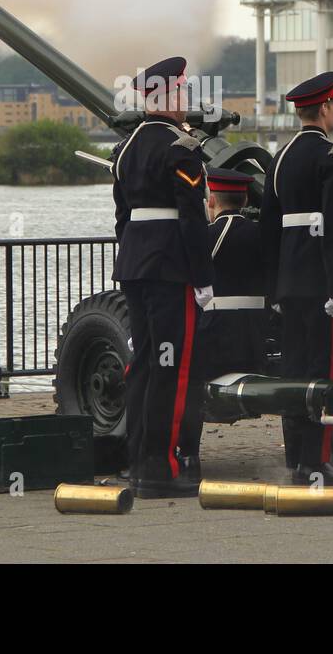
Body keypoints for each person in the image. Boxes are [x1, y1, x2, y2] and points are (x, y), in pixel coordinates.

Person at [111, 56, 213, 499]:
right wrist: (204, 276)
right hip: (171, 268)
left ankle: (137, 462)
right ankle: (163, 468)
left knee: (144, 365)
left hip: (135, 264)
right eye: (183, 90)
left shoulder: (127, 148)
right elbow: (192, 219)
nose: (187, 98)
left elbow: (122, 218)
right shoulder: (181, 148)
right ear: (168, 95)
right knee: (173, 366)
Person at [260, 71, 333, 487]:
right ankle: (316, 462)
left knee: (294, 371)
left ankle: (295, 458)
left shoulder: (279, 157)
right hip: (319, 284)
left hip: (289, 283)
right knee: (322, 374)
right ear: (324, 109)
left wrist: (274, 288)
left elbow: (269, 230)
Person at [175, 166, 267, 481]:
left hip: (218, 335)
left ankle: (188, 455)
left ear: (211, 199)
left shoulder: (209, 236)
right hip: (256, 336)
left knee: (187, 383)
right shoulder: (261, 234)